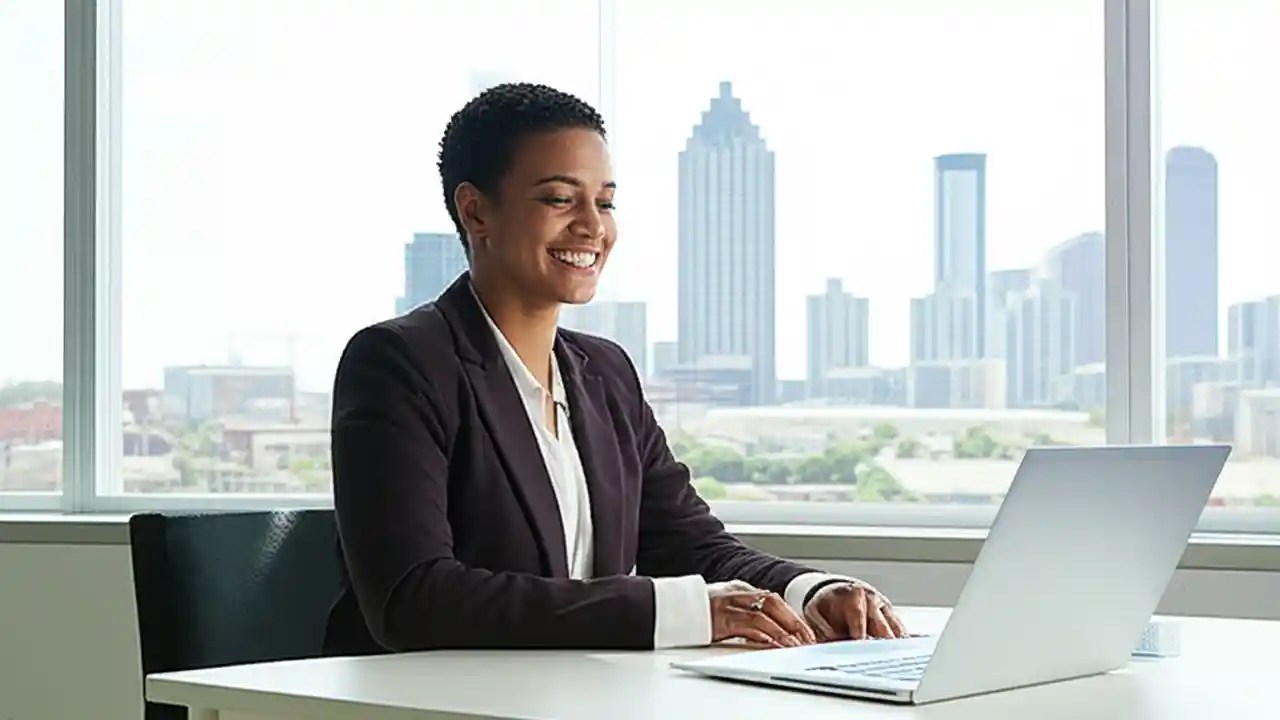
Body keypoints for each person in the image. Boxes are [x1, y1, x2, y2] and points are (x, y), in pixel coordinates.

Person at [322, 82, 907, 655]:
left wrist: (811, 591)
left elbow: (689, 545)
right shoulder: (398, 363)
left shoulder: (606, 373)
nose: (593, 227)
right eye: (559, 199)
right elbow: (412, 597)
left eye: (604, 201)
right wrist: (677, 611)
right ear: (475, 211)